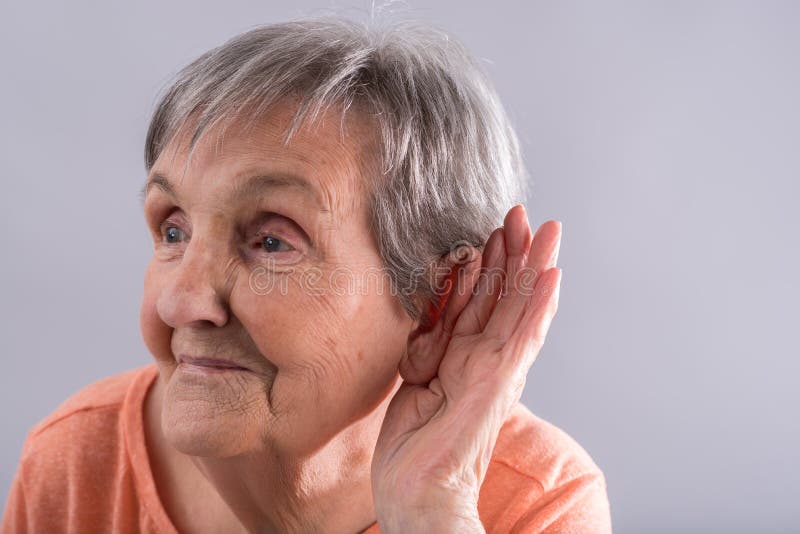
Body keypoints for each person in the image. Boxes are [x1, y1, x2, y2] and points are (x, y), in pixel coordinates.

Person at [2, 16, 612, 533]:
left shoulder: (536, 504)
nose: (181, 302)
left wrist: (431, 511)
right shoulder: (78, 464)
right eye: (174, 231)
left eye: (272, 241)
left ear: (436, 301)